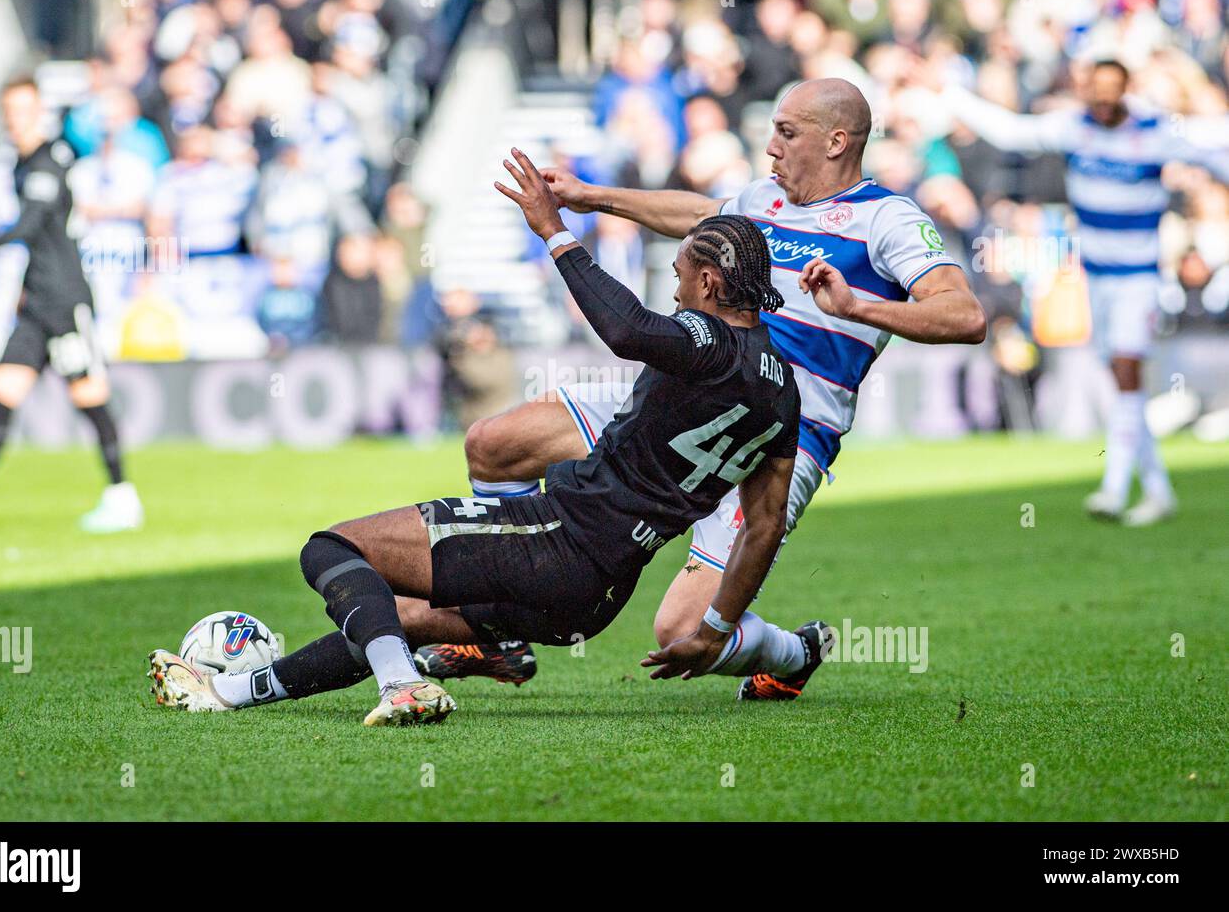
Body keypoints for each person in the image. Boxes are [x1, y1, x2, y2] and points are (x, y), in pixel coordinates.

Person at [147, 148, 808, 726]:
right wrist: (716, 627)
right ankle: (224, 692)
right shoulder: (783, 395)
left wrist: (554, 232)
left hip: (557, 538)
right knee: (398, 616)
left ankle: (402, 686)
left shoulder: (706, 340)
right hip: (599, 594)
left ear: (710, 282)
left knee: (331, 549)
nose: (677, 292)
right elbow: (764, 524)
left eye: (682, 277)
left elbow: (628, 329)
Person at [417, 79, 986, 700]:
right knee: (495, 444)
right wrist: (591, 197)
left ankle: (795, 654)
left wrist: (858, 308)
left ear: (836, 142)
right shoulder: (762, 198)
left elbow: (965, 316)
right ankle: (498, 630)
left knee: (684, 630)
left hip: (773, 436)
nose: (771, 147)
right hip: (681, 397)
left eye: (786, 133)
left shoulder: (888, 219)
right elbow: (698, 217)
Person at [933, 59, 1229, 526]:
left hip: (1138, 278)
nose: (1103, 101)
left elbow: (1215, 147)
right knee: (1122, 383)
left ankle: (1114, 488)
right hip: (1095, 277)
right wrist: (950, 94)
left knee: (1127, 373)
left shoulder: (1155, 132)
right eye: (1096, 91)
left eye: (1112, 91)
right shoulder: (1074, 127)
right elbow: (1012, 132)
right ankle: (1158, 491)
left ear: (1125, 90)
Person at [0, 78, 143, 533]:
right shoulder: (21, 164)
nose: (16, 119)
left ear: (39, 112)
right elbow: (41, 242)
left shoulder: (48, 162)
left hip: (65, 303)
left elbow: (29, 226)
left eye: (24, 110)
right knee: (2, 387)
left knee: (89, 396)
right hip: (37, 302)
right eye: (9, 111)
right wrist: (25, 289)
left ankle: (123, 497)